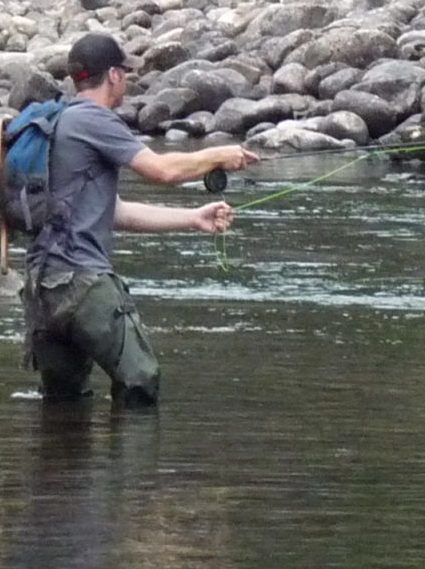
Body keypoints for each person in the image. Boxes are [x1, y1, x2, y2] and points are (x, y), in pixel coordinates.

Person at [21, 32, 255, 407]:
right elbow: (161, 170)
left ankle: (57, 466)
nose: (126, 81)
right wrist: (216, 156)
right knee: (140, 379)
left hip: (42, 287)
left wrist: (193, 218)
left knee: (64, 403)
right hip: (82, 282)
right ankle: (133, 468)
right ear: (113, 74)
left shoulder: (61, 122)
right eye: (124, 73)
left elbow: (115, 212)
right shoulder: (95, 119)